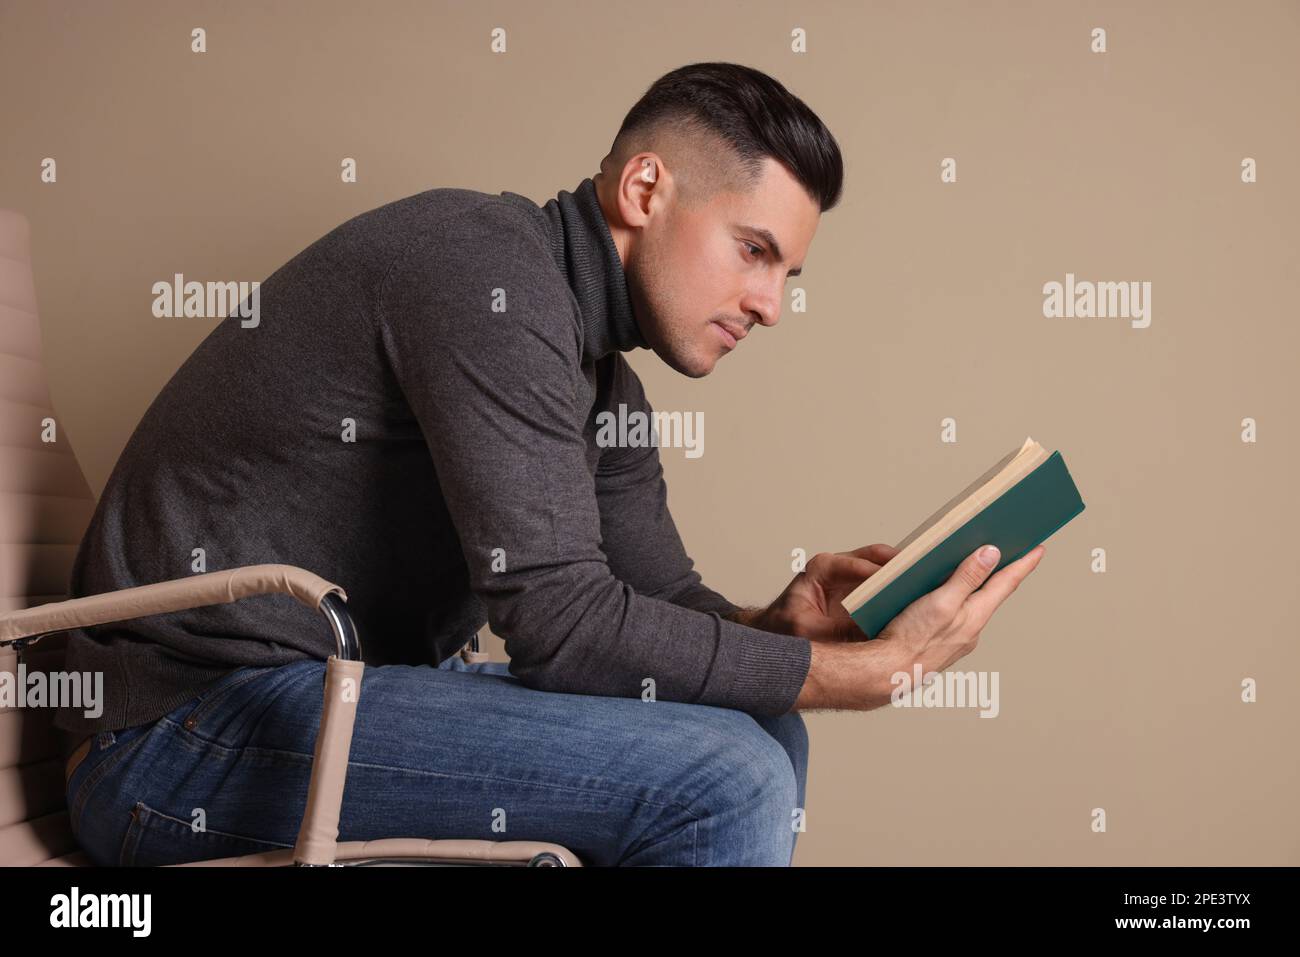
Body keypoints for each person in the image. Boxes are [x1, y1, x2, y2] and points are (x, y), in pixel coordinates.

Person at [57, 61, 1044, 867]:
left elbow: (650, 599)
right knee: (728, 778)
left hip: (323, 705)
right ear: (645, 189)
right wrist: (848, 671)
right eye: (752, 250)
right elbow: (564, 629)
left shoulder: (598, 376)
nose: (771, 304)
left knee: (769, 732)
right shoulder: (483, 273)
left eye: (786, 273)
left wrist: (777, 626)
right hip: (176, 741)